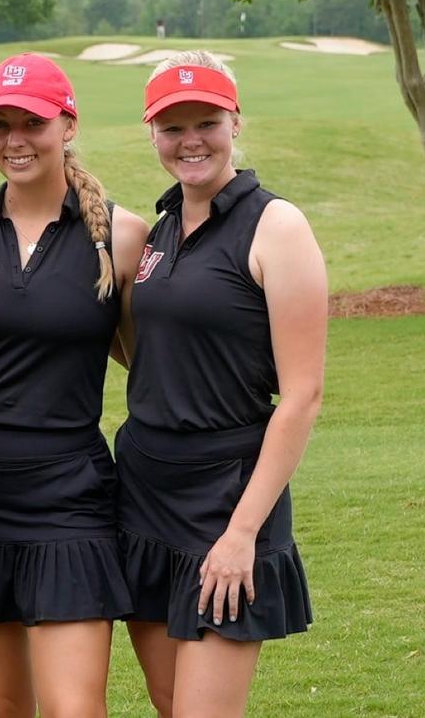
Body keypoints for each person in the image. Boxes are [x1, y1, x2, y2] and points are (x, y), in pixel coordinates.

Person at [0, 53, 148, 718]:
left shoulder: (124, 236)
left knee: (74, 707)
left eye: (32, 122)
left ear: (68, 124)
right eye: (0, 124)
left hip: (70, 501)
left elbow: (148, 360)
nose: (15, 139)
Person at [118, 51, 326, 718]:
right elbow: (162, 354)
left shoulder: (276, 226)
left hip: (227, 499)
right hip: (145, 491)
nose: (190, 141)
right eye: (172, 126)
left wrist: (241, 533)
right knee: (168, 699)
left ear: (235, 121)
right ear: (152, 133)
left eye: (205, 121)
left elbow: (302, 396)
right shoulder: (161, 228)